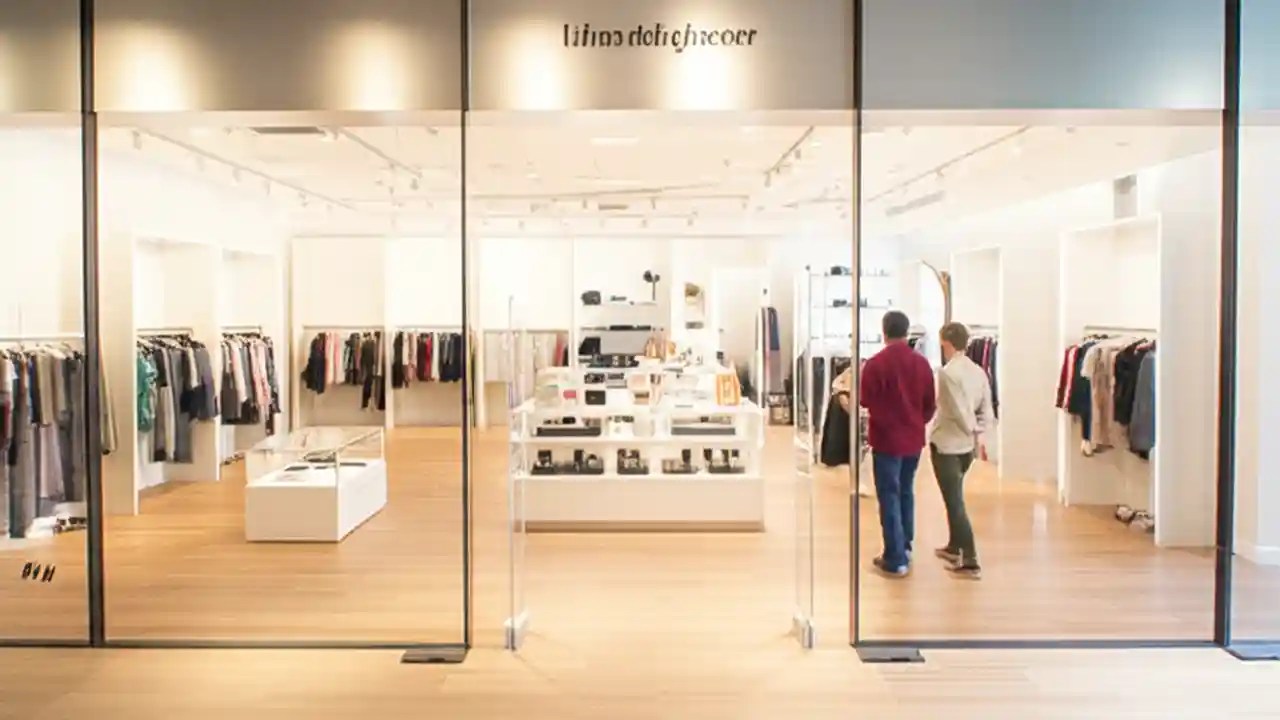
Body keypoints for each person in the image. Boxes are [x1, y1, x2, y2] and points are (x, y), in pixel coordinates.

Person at [860, 310, 936, 577]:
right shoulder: (922, 364)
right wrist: (916, 422)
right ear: (907, 333)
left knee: (889, 495)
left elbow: (865, 400)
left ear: (884, 332)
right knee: (906, 491)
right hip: (913, 438)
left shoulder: (874, 364)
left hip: (885, 438)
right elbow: (930, 405)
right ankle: (904, 545)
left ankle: (895, 557)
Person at [930, 322, 993, 580]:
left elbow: (956, 409)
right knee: (952, 498)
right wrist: (977, 431)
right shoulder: (979, 372)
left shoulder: (947, 374)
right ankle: (955, 545)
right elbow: (986, 410)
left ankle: (970, 559)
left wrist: (969, 427)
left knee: (955, 502)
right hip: (966, 449)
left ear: (946, 343)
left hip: (947, 445)